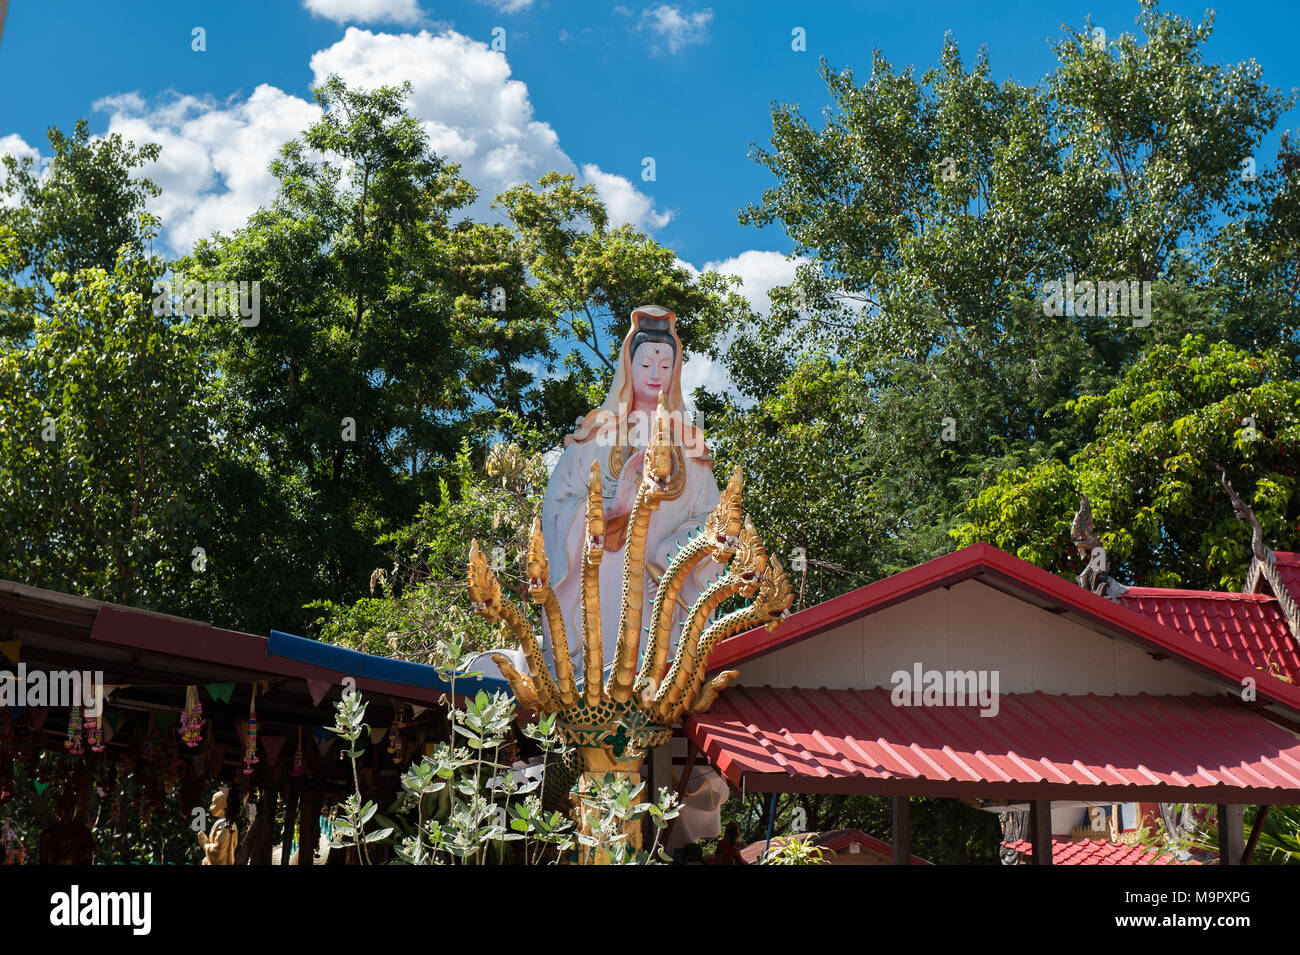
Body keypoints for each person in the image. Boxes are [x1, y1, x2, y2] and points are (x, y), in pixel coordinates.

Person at [539, 306, 721, 675]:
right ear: (629, 367)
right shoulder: (595, 439)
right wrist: (611, 509)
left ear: (676, 372)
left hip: (662, 593)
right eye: (646, 365)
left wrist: (676, 553)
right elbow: (557, 508)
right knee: (599, 672)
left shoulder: (692, 451)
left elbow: (716, 520)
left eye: (665, 366)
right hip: (603, 596)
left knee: (660, 670)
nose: (656, 375)